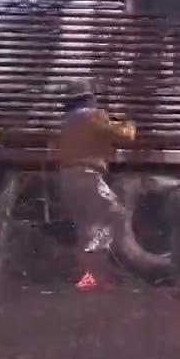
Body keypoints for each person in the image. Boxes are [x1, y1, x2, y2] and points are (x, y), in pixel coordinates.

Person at [54, 79, 139, 291]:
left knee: (87, 227)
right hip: (87, 175)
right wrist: (129, 122)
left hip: (67, 177)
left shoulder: (68, 122)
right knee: (114, 214)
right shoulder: (93, 116)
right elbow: (125, 136)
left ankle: (90, 277)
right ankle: (96, 273)